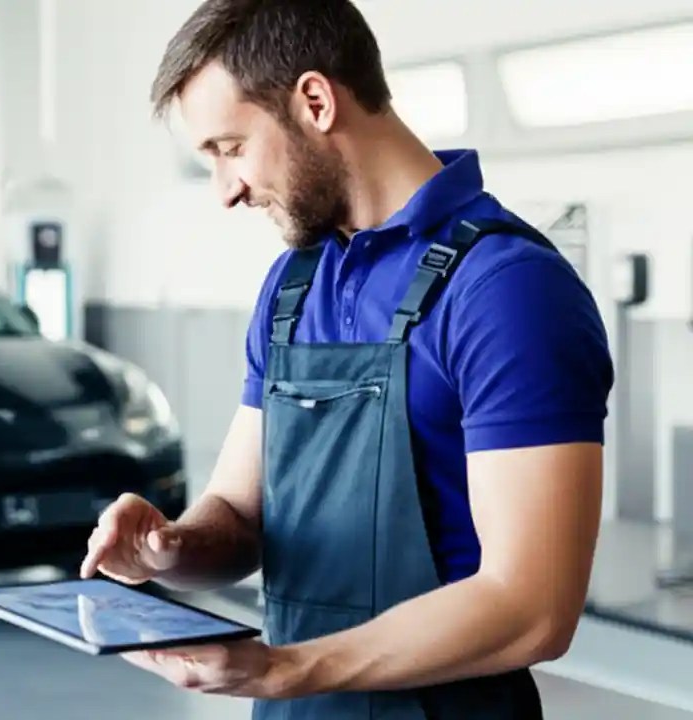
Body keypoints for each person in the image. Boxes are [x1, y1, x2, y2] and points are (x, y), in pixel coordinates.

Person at [79, 1, 613, 717]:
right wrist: (170, 547)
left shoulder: (507, 288)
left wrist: (284, 668)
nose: (227, 191)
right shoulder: (295, 284)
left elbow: (533, 606)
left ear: (315, 101)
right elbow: (240, 515)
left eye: (230, 148)